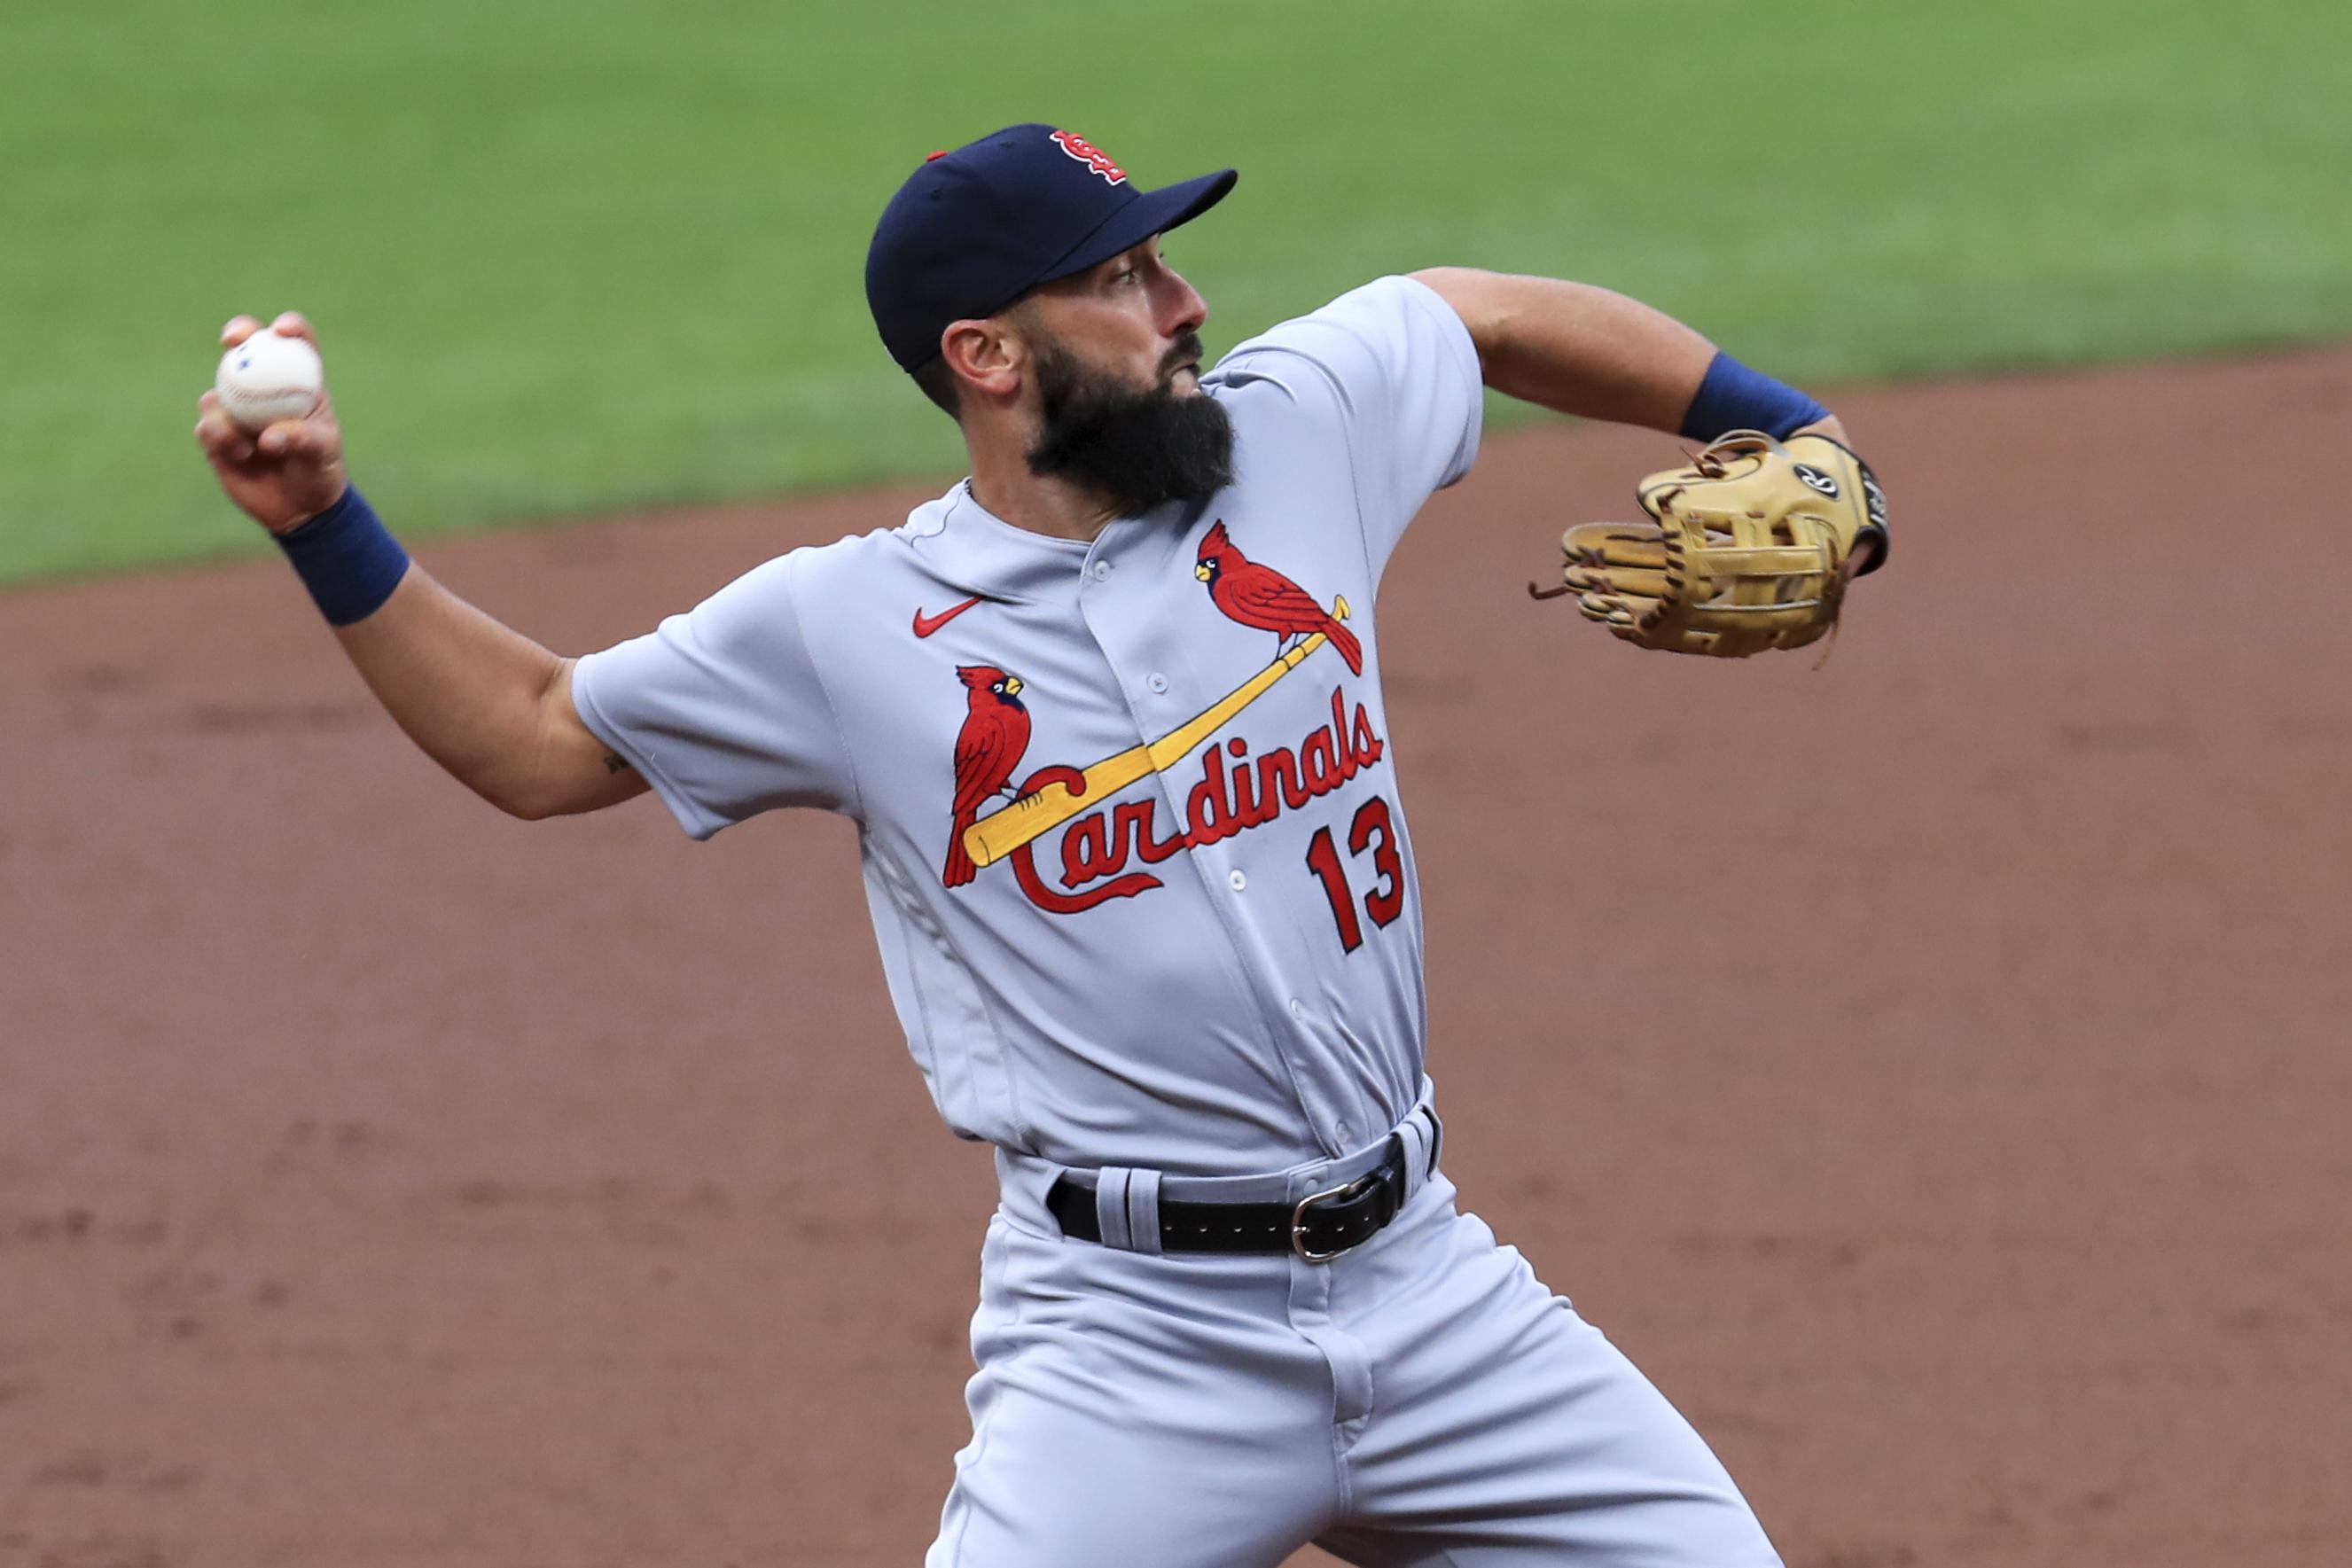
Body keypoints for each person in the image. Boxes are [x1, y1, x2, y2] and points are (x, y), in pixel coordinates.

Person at [196, 122, 1876, 1567]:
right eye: (1125, 279)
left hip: (1431, 1288)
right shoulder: (847, 630)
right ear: (988, 357)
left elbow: (1479, 312)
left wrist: (1794, 429)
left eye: (1165, 260)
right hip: (1134, 1352)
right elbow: (543, 737)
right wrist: (324, 524)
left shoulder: (1297, 428)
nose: (1186, 302)